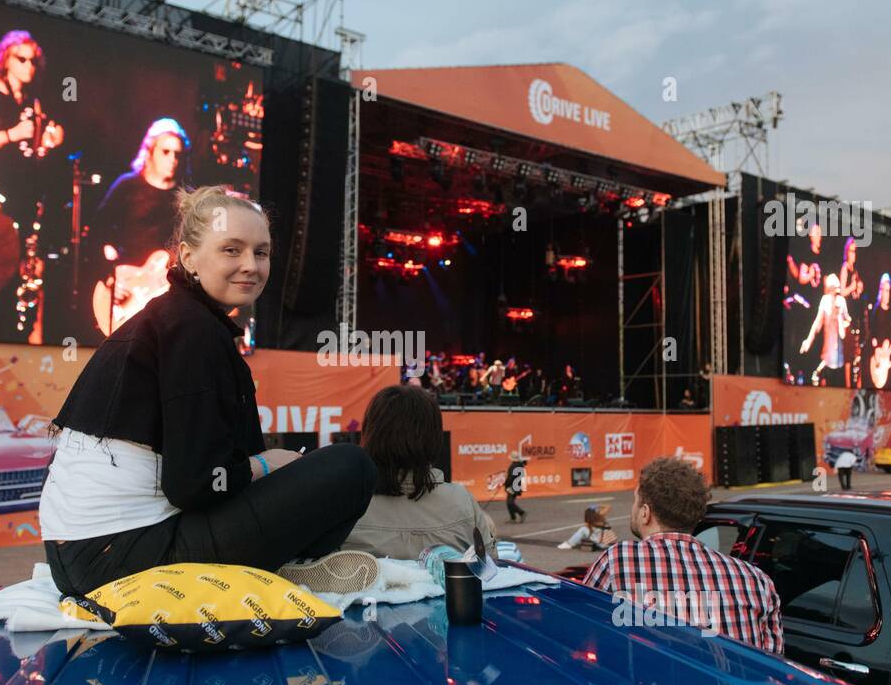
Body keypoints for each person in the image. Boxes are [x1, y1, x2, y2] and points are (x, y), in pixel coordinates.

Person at [39, 185, 379, 599]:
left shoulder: (176, 319)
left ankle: (278, 570)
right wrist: (269, 464)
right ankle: (280, 572)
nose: (251, 266)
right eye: (231, 250)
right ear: (187, 257)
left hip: (83, 558)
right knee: (352, 467)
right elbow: (196, 486)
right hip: (117, 560)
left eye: (261, 252)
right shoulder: (191, 328)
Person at [582, 457, 784, 654]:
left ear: (645, 513)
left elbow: (579, 629)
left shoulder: (618, 562)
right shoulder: (756, 581)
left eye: (635, 501)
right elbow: (775, 666)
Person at [0, 30, 65, 343]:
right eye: (22, 59)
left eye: (34, 60)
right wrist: (12, 134)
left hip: (25, 192)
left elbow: (33, 147)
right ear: (5, 60)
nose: (30, 66)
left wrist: (50, 139)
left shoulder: (32, 100)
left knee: (30, 269)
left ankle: (34, 341)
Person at [342, 385, 498, 560]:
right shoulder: (462, 500)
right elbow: (490, 567)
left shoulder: (343, 503)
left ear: (370, 433)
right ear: (433, 437)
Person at [87, 118, 192, 335]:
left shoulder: (188, 196)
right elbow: (96, 234)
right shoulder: (127, 186)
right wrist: (109, 279)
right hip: (125, 287)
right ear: (150, 151)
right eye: (166, 151)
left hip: (164, 294)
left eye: (178, 154)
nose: (173, 159)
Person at [800, 273, 851, 386]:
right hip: (827, 353)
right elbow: (817, 323)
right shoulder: (825, 301)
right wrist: (808, 340)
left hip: (840, 355)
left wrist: (841, 322)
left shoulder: (842, 302)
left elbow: (848, 319)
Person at [504, 451, 527, 523]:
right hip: (517, 486)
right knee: (509, 502)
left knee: (510, 502)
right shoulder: (520, 465)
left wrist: (506, 484)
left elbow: (511, 478)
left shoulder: (513, 466)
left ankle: (521, 513)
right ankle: (513, 517)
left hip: (513, 487)